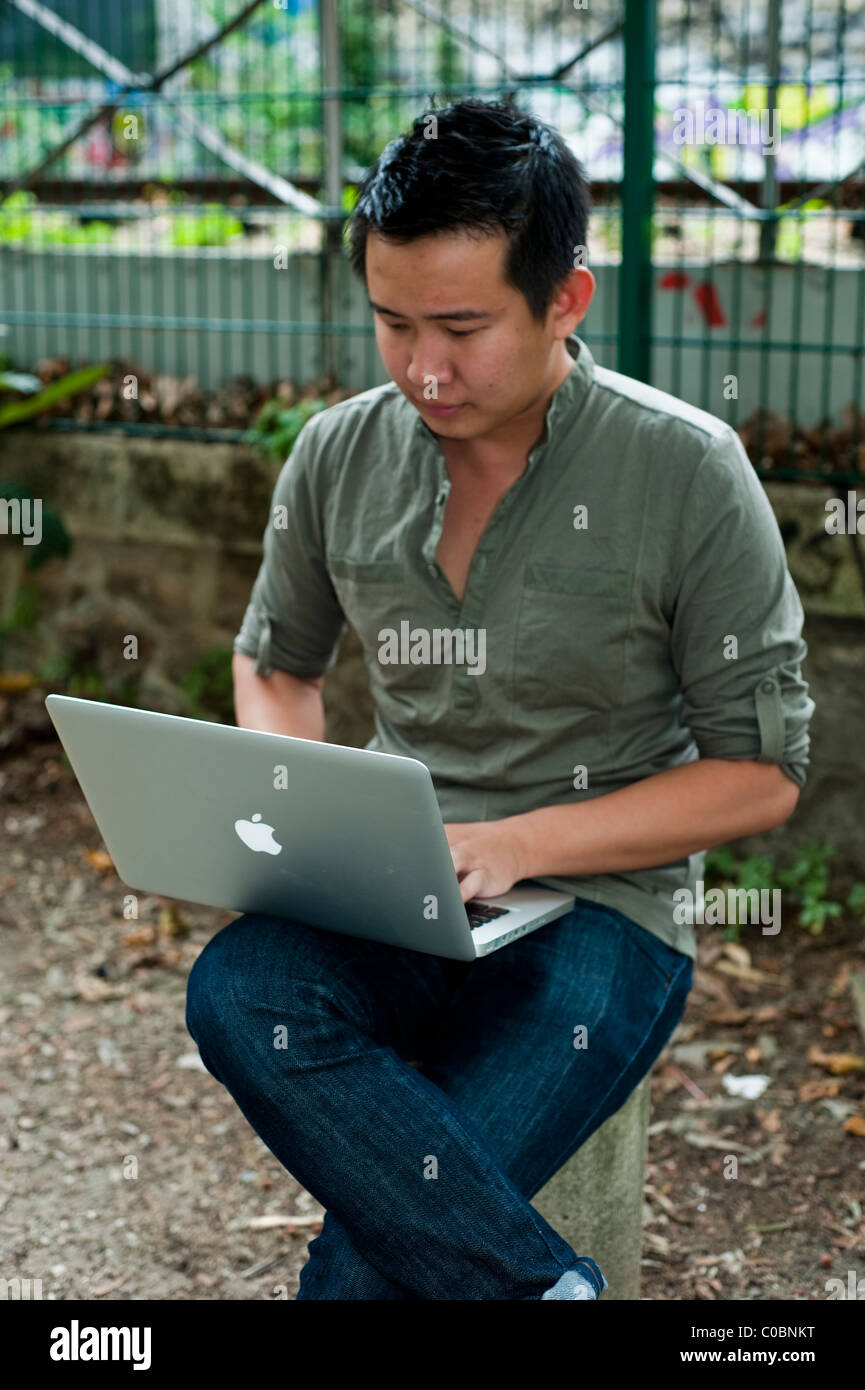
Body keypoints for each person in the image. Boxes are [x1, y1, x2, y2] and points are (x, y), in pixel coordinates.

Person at [185, 97, 814, 1300]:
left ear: (564, 299)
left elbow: (761, 770)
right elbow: (277, 661)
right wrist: (298, 811)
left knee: (365, 1278)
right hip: (393, 890)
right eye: (392, 322)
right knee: (238, 989)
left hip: (599, 917)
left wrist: (511, 843)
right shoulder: (336, 453)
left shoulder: (683, 469)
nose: (424, 366)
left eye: (463, 327)